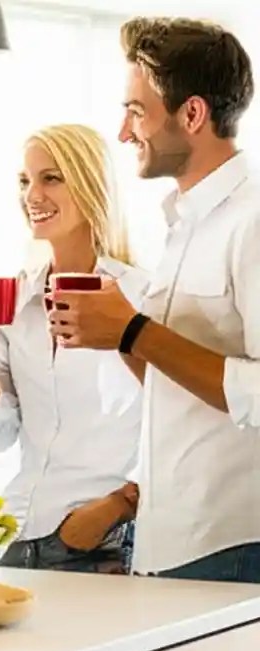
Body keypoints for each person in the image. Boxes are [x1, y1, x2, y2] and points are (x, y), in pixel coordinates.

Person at [49, 17, 260, 583]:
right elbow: (185, 390)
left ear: (191, 114)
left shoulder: (253, 221)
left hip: (234, 540)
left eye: (136, 112)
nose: (123, 133)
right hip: (171, 537)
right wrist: (117, 336)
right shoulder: (182, 224)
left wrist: (133, 331)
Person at [0, 124, 147, 574]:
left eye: (50, 178)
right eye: (24, 181)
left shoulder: (139, 294)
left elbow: (178, 422)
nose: (32, 195)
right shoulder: (16, 300)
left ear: (90, 183)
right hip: (18, 534)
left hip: (101, 540)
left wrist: (118, 506)